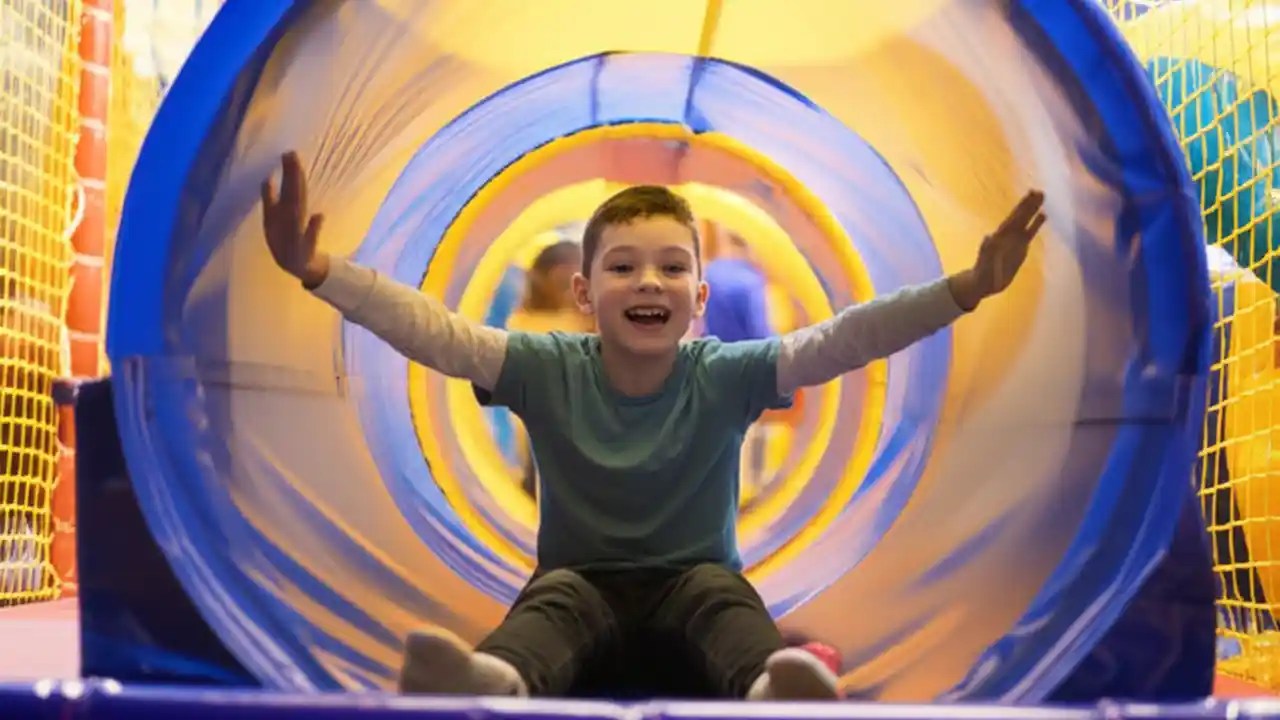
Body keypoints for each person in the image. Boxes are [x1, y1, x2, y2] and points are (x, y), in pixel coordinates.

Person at [260, 151, 1046, 700]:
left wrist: (967, 288)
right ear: (583, 290)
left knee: (723, 602)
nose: (650, 280)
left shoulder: (725, 374)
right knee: (550, 607)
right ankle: (490, 685)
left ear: (701, 299)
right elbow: (435, 332)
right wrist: (320, 271)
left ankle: (777, 689)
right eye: (625, 265)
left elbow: (843, 338)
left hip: (688, 586)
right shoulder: (546, 367)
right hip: (583, 586)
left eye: (673, 266)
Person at [506, 240, 593, 497]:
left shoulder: (521, 322)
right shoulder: (527, 326)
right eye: (563, 282)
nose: (570, 293)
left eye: (575, 284)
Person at [702, 231, 775, 499]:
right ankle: (749, 491)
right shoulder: (751, 280)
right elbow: (760, 330)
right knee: (751, 430)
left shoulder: (708, 274)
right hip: (748, 365)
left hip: (713, 362)